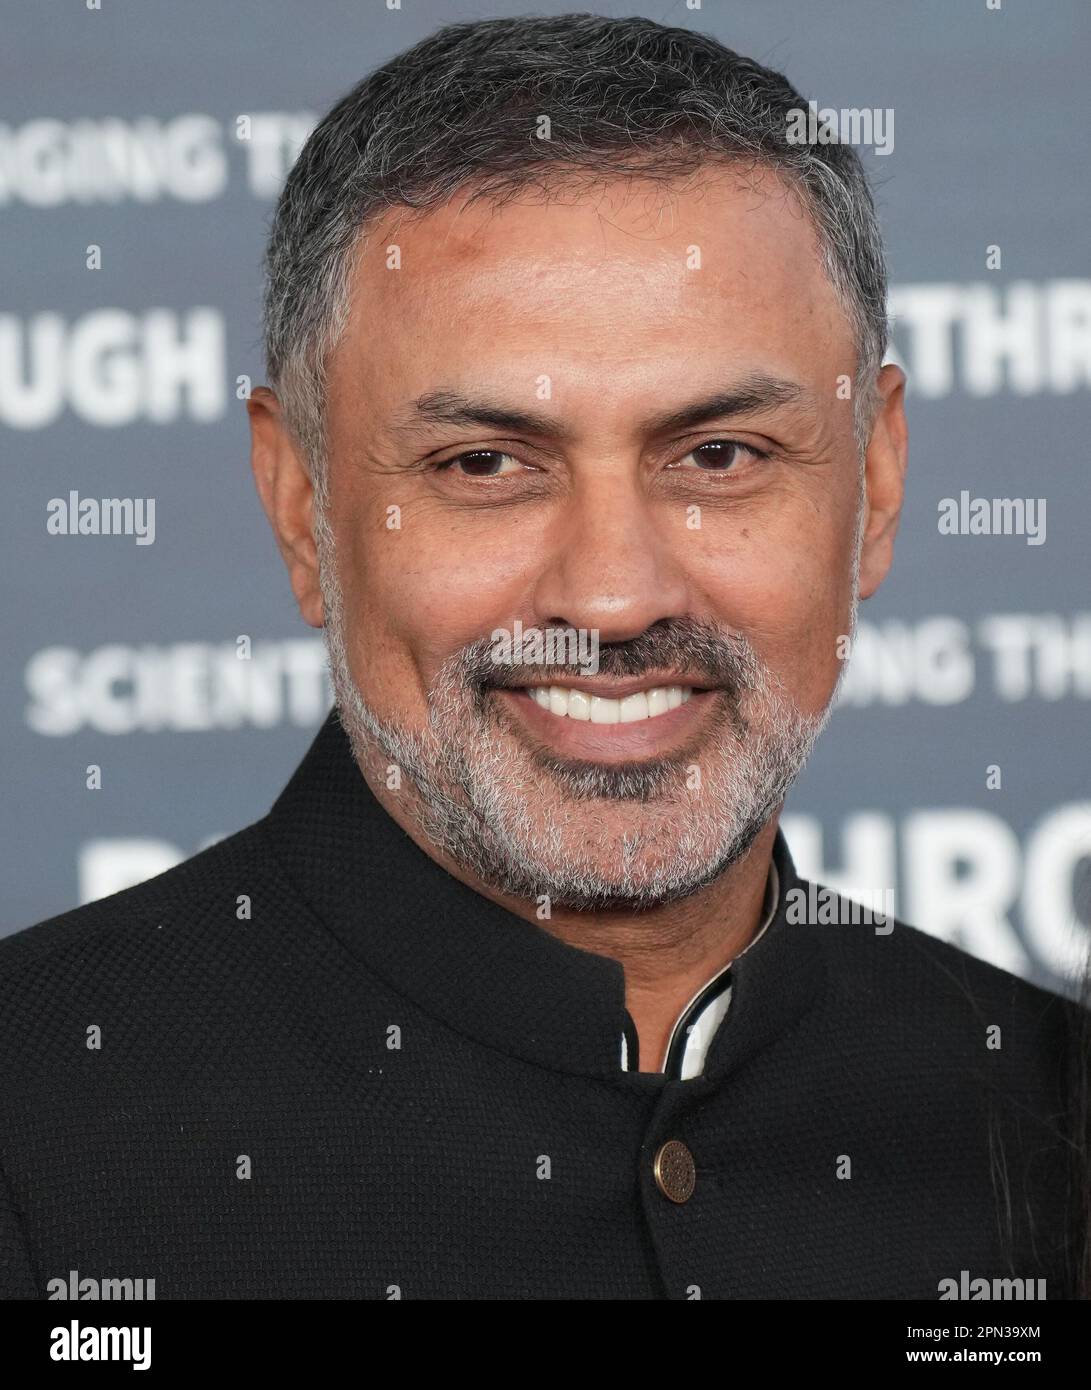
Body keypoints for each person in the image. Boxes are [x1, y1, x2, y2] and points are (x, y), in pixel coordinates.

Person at [0, 13, 1080, 1300]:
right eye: (485, 465)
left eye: (718, 454)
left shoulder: (1043, 1115)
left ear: (879, 481)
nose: (613, 596)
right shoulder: (33, 1127)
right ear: (300, 503)